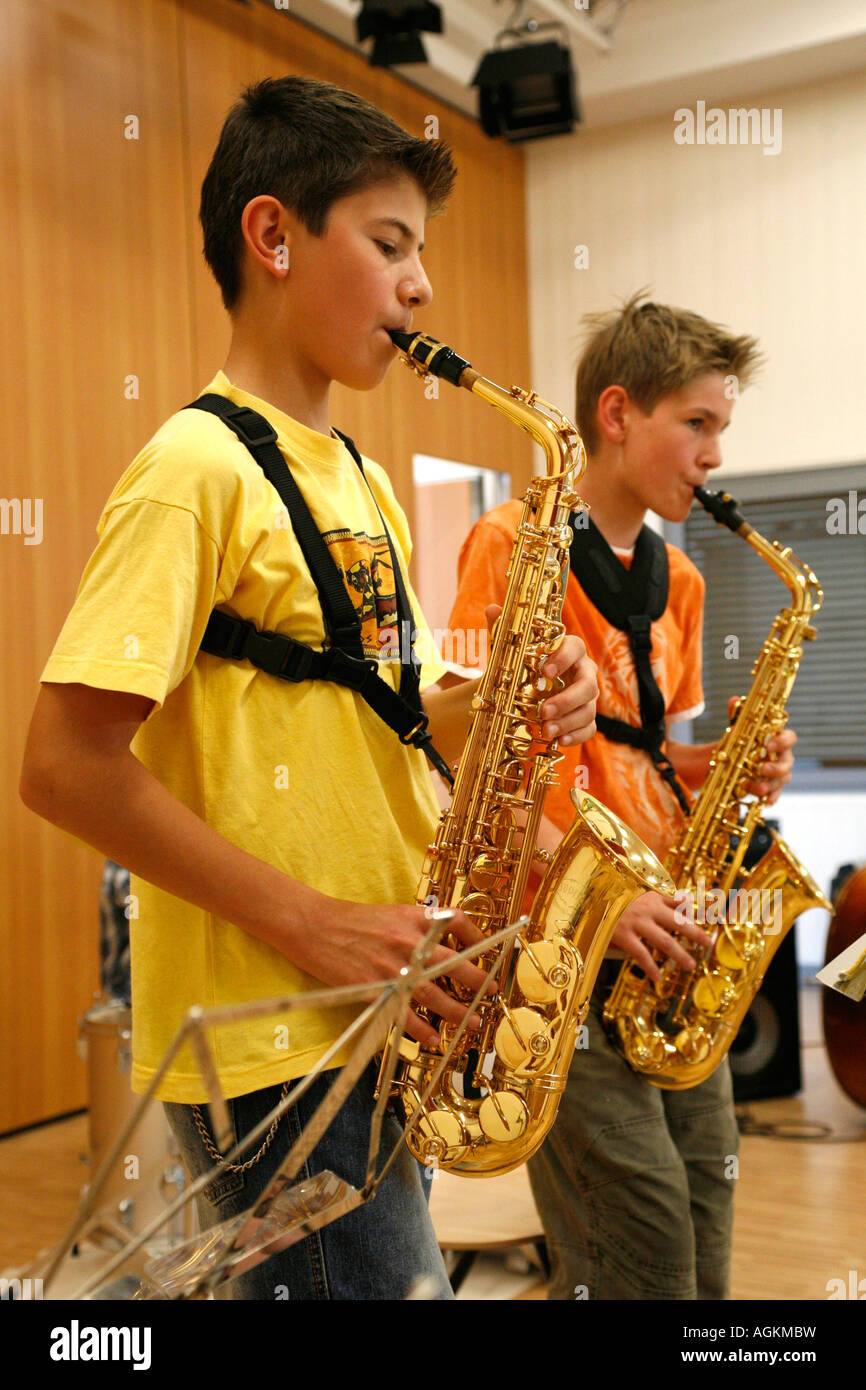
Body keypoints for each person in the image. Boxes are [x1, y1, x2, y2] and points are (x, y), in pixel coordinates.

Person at [19, 76, 598, 1301]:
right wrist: (310, 921)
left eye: (421, 253)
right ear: (274, 236)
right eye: (389, 244)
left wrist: (500, 702)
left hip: (381, 1016)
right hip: (277, 1033)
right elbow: (62, 765)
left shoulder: (360, 480)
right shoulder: (193, 466)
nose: (420, 285)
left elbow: (383, 713)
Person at [444, 293, 797, 1300]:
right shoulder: (509, 545)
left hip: (664, 945)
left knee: (700, 1226)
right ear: (614, 415)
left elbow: (636, 754)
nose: (713, 454)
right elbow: (479, 765)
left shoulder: (676, 578)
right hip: (561, 948)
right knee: (638, 1252)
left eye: (718, 428)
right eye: (696, 423)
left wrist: (722, 765)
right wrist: (606, 898)